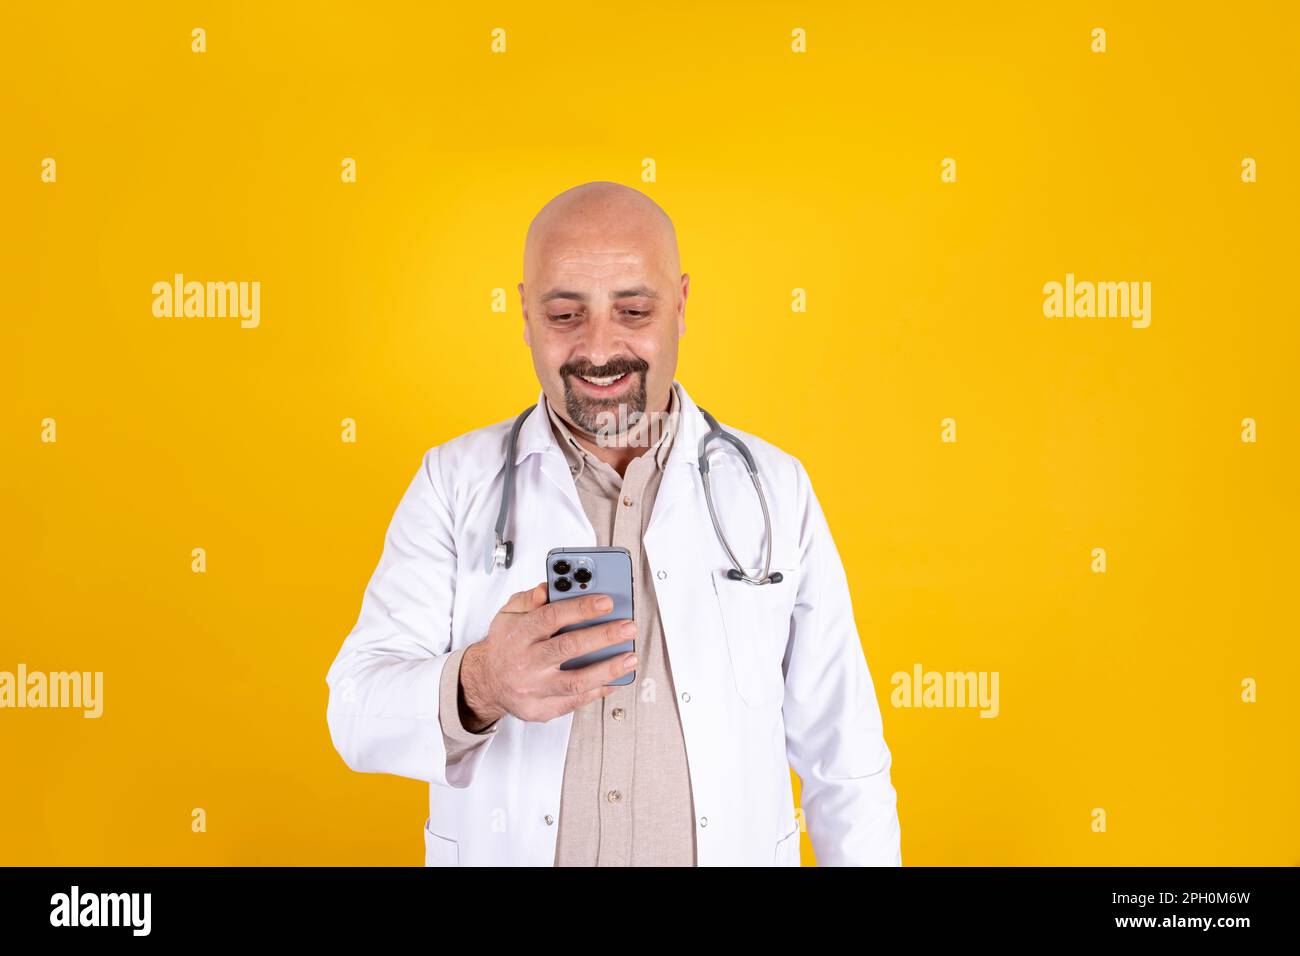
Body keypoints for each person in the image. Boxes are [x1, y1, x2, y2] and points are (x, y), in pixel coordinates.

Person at [325, 181, 901, 866]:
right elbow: (354, 714)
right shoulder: (454, 484)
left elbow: (846, 759)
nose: (600, 349)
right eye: (566, 314)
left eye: (632, 309)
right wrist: (481, 682)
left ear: (681, 305)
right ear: (525, 315)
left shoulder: (774, 489)